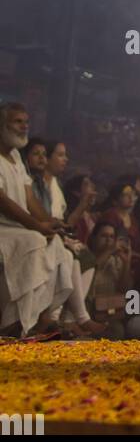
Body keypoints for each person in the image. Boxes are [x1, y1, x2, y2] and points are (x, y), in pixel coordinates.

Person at [0, 102, 101, 337]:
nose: (24, 126)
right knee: (34, 241)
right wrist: (37, 226)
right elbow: (3, 201)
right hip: (5, 228)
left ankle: (43, 316)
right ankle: (13, 321)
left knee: (57, 245)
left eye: (26, 122)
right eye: (18, 121)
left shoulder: (15, 156)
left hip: (18, 226)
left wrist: (50, 223)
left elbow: (29, 198)